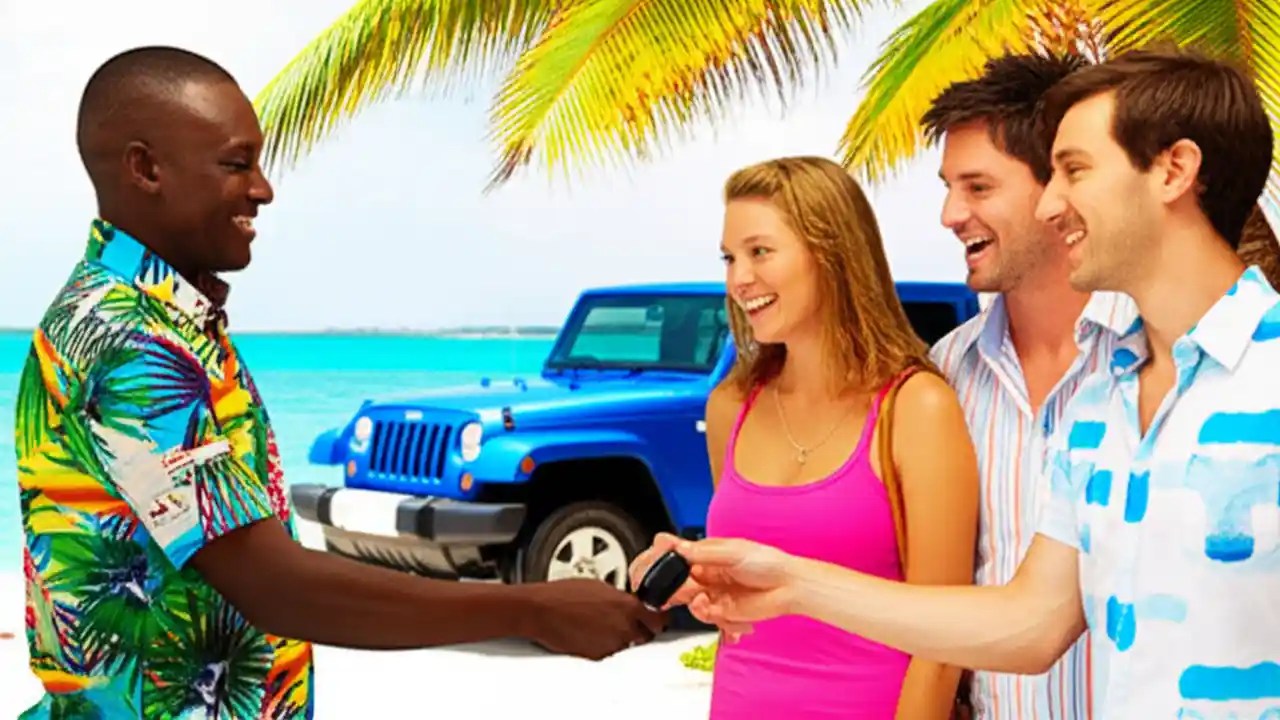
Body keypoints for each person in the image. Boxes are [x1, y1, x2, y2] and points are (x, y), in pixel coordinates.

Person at [13, 46, 661, 719]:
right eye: (237, 164)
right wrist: (529, 608)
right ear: (146, 168)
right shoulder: (126, 339)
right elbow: (271, 585)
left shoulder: (167, 321)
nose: (262, 189)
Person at [667, 47, 1280, 719]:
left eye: (1073, 170)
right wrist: (790, 582)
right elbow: (1031, 624)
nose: (1053, 203)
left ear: (1174, 170)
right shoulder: (1106, 400)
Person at [633, 156, 981, 719]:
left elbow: (943, 645)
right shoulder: (731, 406)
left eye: (759, 251)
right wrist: (691, 576)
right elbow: (742, 595)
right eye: (729, 257)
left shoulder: (915, 407)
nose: (738, 278)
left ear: (831, 254)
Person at [920, 51, 1139, 719]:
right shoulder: (944, 374)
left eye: (978, 187)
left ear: (1057, 188)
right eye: (948, 187)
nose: (950, 214)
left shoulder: (1162, 358)